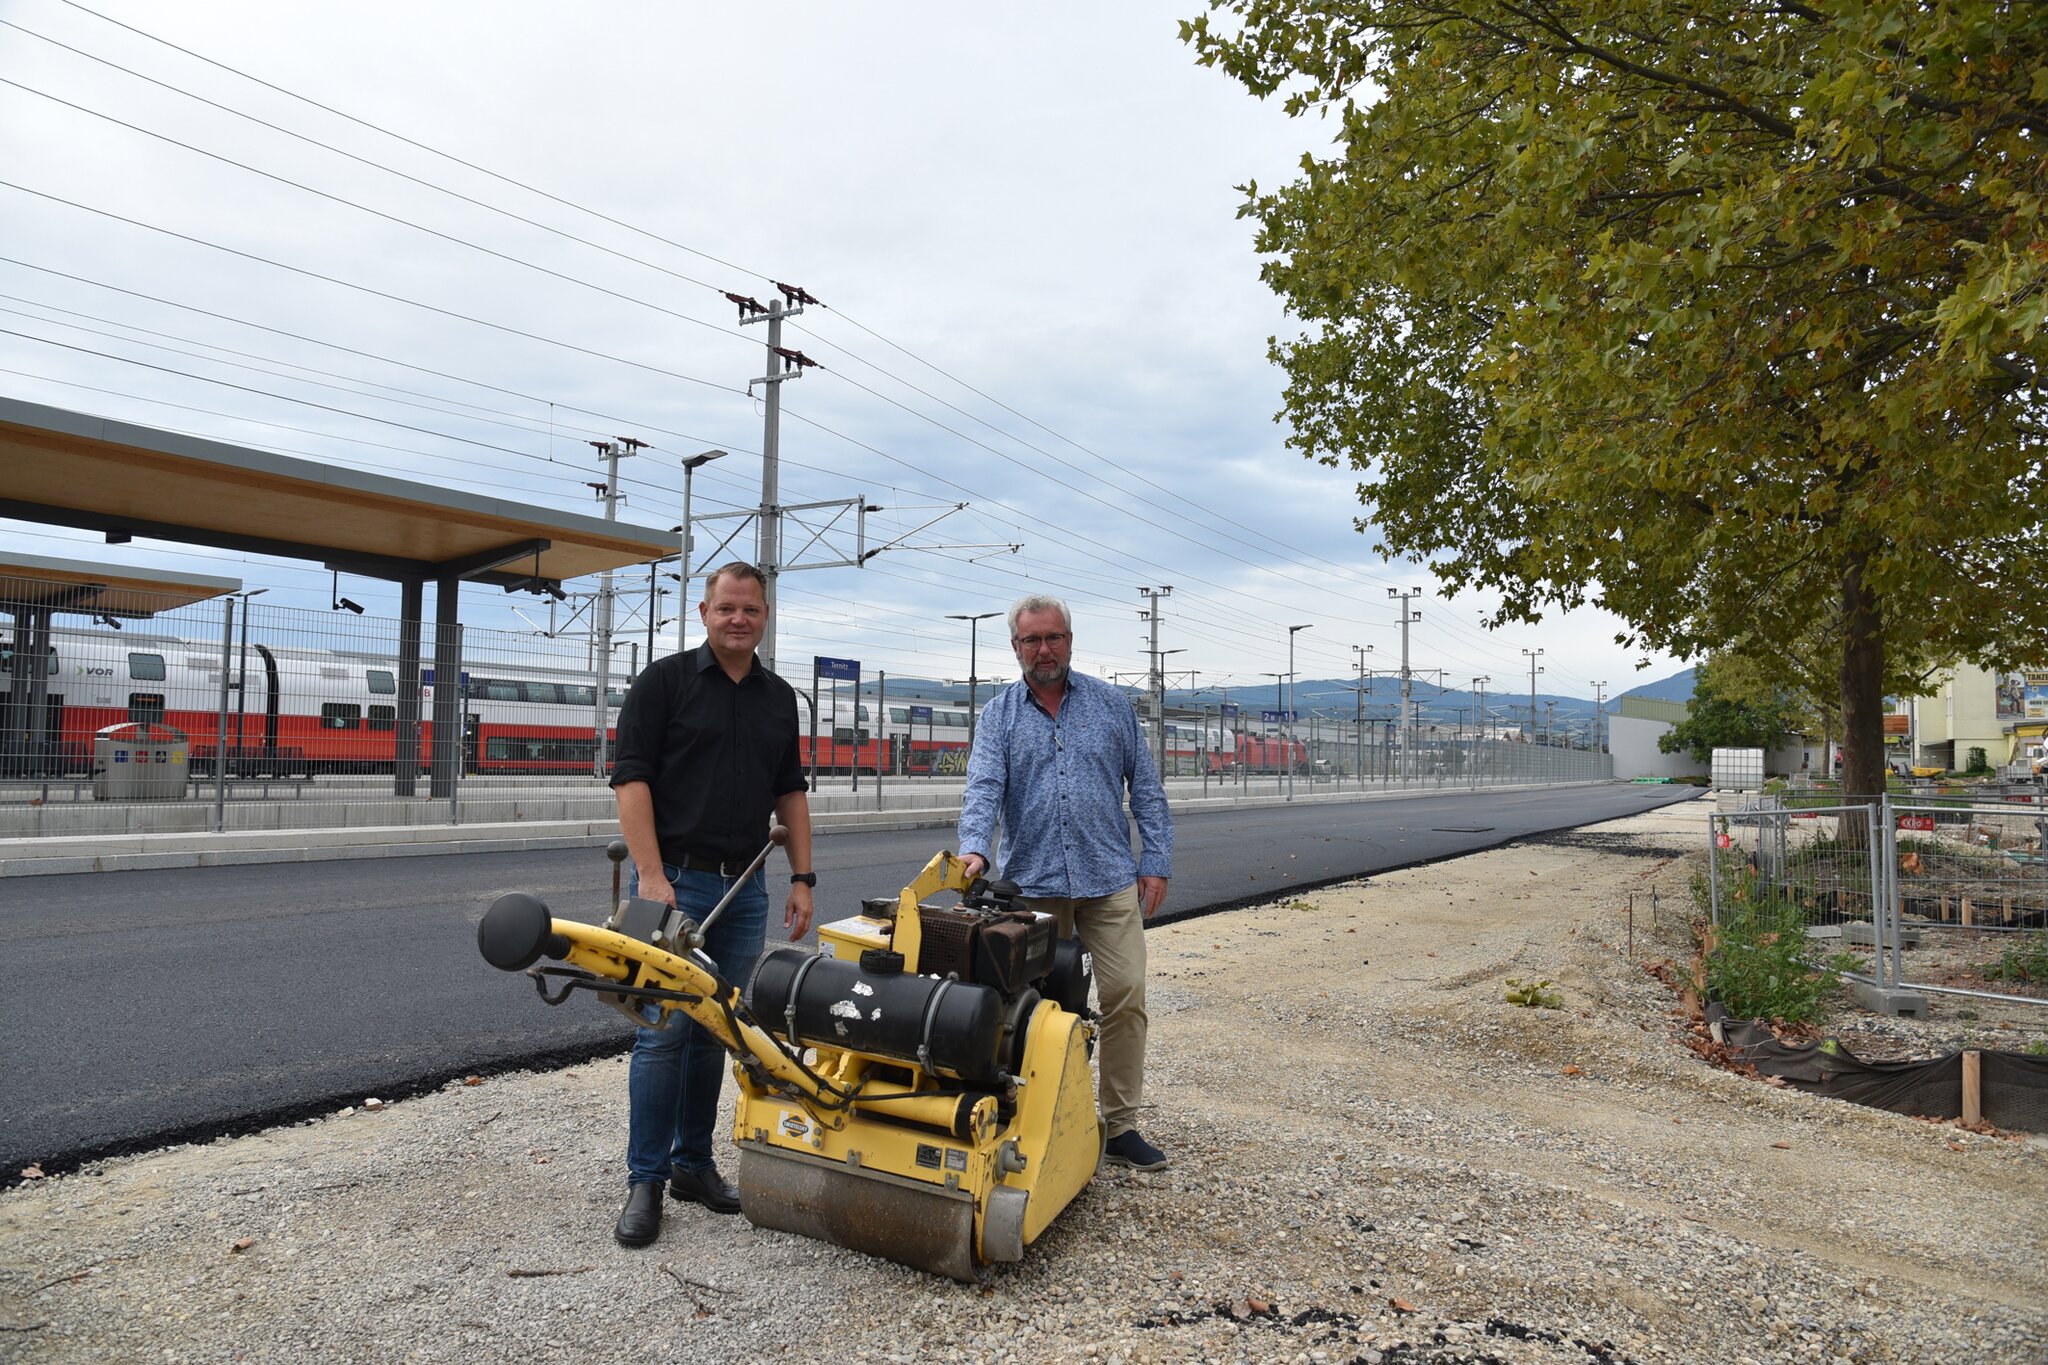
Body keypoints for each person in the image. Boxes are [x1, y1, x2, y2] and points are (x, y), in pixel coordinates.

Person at [606, 561, 814, 1248]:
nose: (738, 619)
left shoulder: (779, 698)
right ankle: (647, 1179)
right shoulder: (662, 684)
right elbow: (630, 779)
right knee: (662, 1031)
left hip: (745, 886)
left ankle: (695, 1164)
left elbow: (790, 792)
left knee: (715, 1031)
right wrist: (651, 876)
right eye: (727, 608)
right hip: (677, 885)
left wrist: (803, 875)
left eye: (750, 610)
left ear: (764, 616)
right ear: (703, 611)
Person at [957, 593, 1174, 1170]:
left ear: (1070, 641)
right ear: (1015, 647)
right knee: (1037, 1009)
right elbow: (982, 789)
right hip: (1031, 888)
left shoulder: (1111, 706)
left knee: (1126, 993)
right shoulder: (998, 715)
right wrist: (974, 849)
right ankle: (1044, 1121)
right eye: (1032, 640)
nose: (1044, 649)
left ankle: (1121, 1125)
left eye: (1053, 637)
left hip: (1108, 880)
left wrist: (1156, 859)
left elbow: (1146, 790)